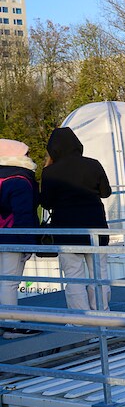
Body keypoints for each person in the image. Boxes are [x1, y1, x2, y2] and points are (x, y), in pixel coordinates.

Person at [42, 127, 112, 312]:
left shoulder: (49, 172)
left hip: (66, 230)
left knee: (74, 277)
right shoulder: (93, 164)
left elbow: (47, 203)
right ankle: (102, 313)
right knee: (100, 274)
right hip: (95, 228)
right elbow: (106, 192)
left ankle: (80, 318)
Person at [0, 139, 40, 338]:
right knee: (10, 281)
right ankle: (11, 325)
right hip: (12, 238)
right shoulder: (20, 180)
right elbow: (23, 214)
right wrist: (28, 243)